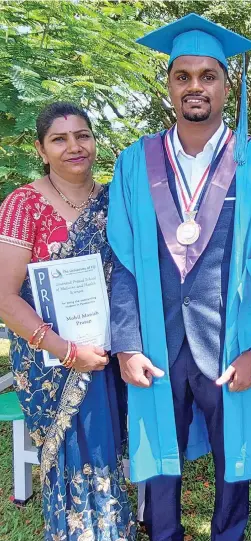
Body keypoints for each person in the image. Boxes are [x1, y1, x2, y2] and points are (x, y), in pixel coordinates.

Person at [107, 13, 251, 541]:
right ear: (169, 85)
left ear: (224, 83)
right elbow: (121, 260)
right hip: (156, 341)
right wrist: (126, 344)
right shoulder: (133, 162)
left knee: (231, 460)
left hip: (229, 340)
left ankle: (228, 535)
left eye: (207, 75)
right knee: (160, 467)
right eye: (183, 76)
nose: (195, 86)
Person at [0, 102, 135, 541]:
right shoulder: (24, 205)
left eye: (82, 135)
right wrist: (65, 350)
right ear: (41, 149)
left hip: (107, 352)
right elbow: (4, 297)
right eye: (60, 139)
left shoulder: (116, 200)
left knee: (107, 453)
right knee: (72, 458)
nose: (74, 146)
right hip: (51, 360)